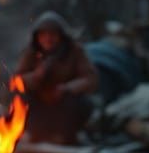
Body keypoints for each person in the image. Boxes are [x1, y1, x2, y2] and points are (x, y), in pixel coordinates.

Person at [15, 11, 98, 144]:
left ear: (61, 36)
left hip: (64, 102)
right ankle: (34, 135)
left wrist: (66, 88)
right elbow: (18, 80)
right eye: (43, 35)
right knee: (21, 100)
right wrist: (36, 76)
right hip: (40, 104)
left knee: (81, 104)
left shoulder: (74, 51)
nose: (48, 39)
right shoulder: (31, 52)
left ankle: (66, 137)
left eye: (52, 34)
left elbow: (89, 78)